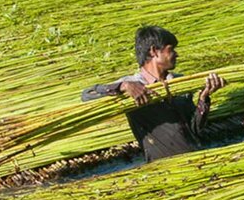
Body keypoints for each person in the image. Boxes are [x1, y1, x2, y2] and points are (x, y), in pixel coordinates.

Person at [81, 25, 226, 162]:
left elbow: (195, 128)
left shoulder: (180, 82)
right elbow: (87, 95)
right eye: (171, 49)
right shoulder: (132, 85)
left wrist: (203, 98)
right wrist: (122, 86)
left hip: (198, 158)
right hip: (162, 167)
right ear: (154, 51)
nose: (177, 54)